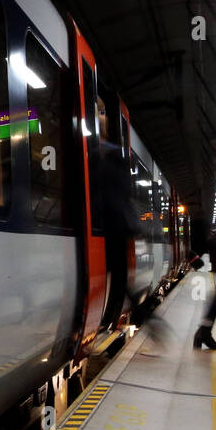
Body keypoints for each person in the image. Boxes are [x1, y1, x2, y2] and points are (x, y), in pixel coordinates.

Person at [96, 98, 137, 330]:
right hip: (114, 224)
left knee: (118, 278)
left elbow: (116, 194)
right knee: (118, 278)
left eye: (102, 116)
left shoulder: (109, 155)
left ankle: (113, 317)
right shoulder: (113, 155)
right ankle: (139, 316)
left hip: (113, 224)